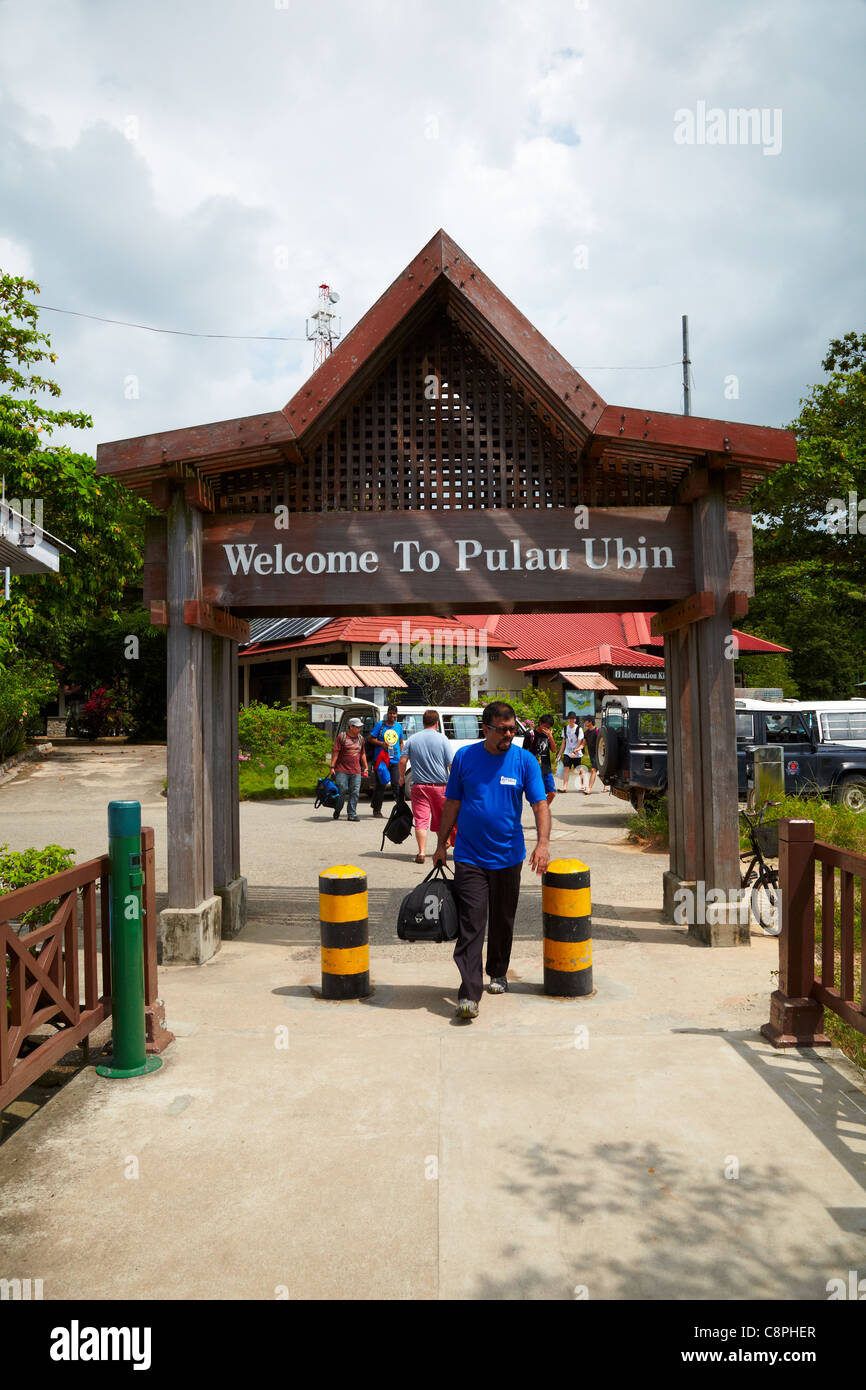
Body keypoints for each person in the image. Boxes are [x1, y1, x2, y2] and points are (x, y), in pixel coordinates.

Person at [433, 701, 550, 1021]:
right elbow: (453, 802)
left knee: (503, 919)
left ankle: (497, 971)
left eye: (513, 729)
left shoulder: (525, 761)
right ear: (486, 728)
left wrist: (543, 843)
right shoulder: (465, 758)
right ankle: (470, 994)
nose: (509, 735)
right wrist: (441, 844)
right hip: (470, 855)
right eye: (503, 729)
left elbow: (540, 805)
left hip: (509, 856)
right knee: (472, 923)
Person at [399, 709, 454, 863]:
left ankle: (421, 852)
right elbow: (451, 764)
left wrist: (402, 778)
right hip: (440, 786)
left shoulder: (412, 739)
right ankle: (442, 846)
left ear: (423, 722)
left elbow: (402, 761)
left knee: (421, 820)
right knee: (442, 818)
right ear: (437, 723)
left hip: (418, 786)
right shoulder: (442, 739)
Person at [368, 704, 404, 818]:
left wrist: (402, 755)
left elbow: (401, 741)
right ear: (387, 714)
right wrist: (381, 744)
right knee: (381, 785)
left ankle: (400, 810)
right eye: (390, 713)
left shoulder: (398, 726)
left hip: (395, 760)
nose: (392, 715)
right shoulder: (380, 725)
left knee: (396, 785)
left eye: (394, 713)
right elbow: (370, 738)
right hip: (381, 760)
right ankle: (376, 809)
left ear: (397, 714)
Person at [328, 717, 368, 821]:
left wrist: (365, 767)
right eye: (357, 727)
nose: (359, 728)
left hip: (356, 770)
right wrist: (332, 766)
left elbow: (362, 753)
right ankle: (337, 809)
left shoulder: (361, 739)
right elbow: (335, 752)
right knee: (342, 790)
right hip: (342, 770)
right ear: (351, 727)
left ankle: (352, 814)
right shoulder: (342, 737)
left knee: (355, 792)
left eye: (360, 727)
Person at [523, 712, 557, 805]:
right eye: (545, 726)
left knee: (552, 793)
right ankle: (541, 811)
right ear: (540, 723)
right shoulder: (530, 734)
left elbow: (554, 750)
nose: (546, 729)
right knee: (539, 794)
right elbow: (524, 752)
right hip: (534, 768)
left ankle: (542, 809)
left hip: (546, 768)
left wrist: (550, 737)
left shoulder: (548, 735)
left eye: (549, 727)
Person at [558, 711, 586, 792]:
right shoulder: (565, 728)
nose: (571, 720)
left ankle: (583, 785)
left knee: (579, 769)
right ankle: (565, 787)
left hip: (576, 752)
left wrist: (574, 752)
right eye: (570, 718)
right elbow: (564, 742)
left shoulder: (579, 729)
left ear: (575, 719)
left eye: (573, 718)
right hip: (567, 752)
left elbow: (580, 741)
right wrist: (559, 753)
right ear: (568, 719)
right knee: (566, 768)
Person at [582, 715, 600, 794]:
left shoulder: (597, 731)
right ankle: (606, 786)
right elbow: (583, 744)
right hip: (592, 755)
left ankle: (589, 789)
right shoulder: (585, 732)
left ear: (590, 722)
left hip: (599, 754)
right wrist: (576, 750)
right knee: (597, 771)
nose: (584, 722)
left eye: (585, 721)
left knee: (593, 770)